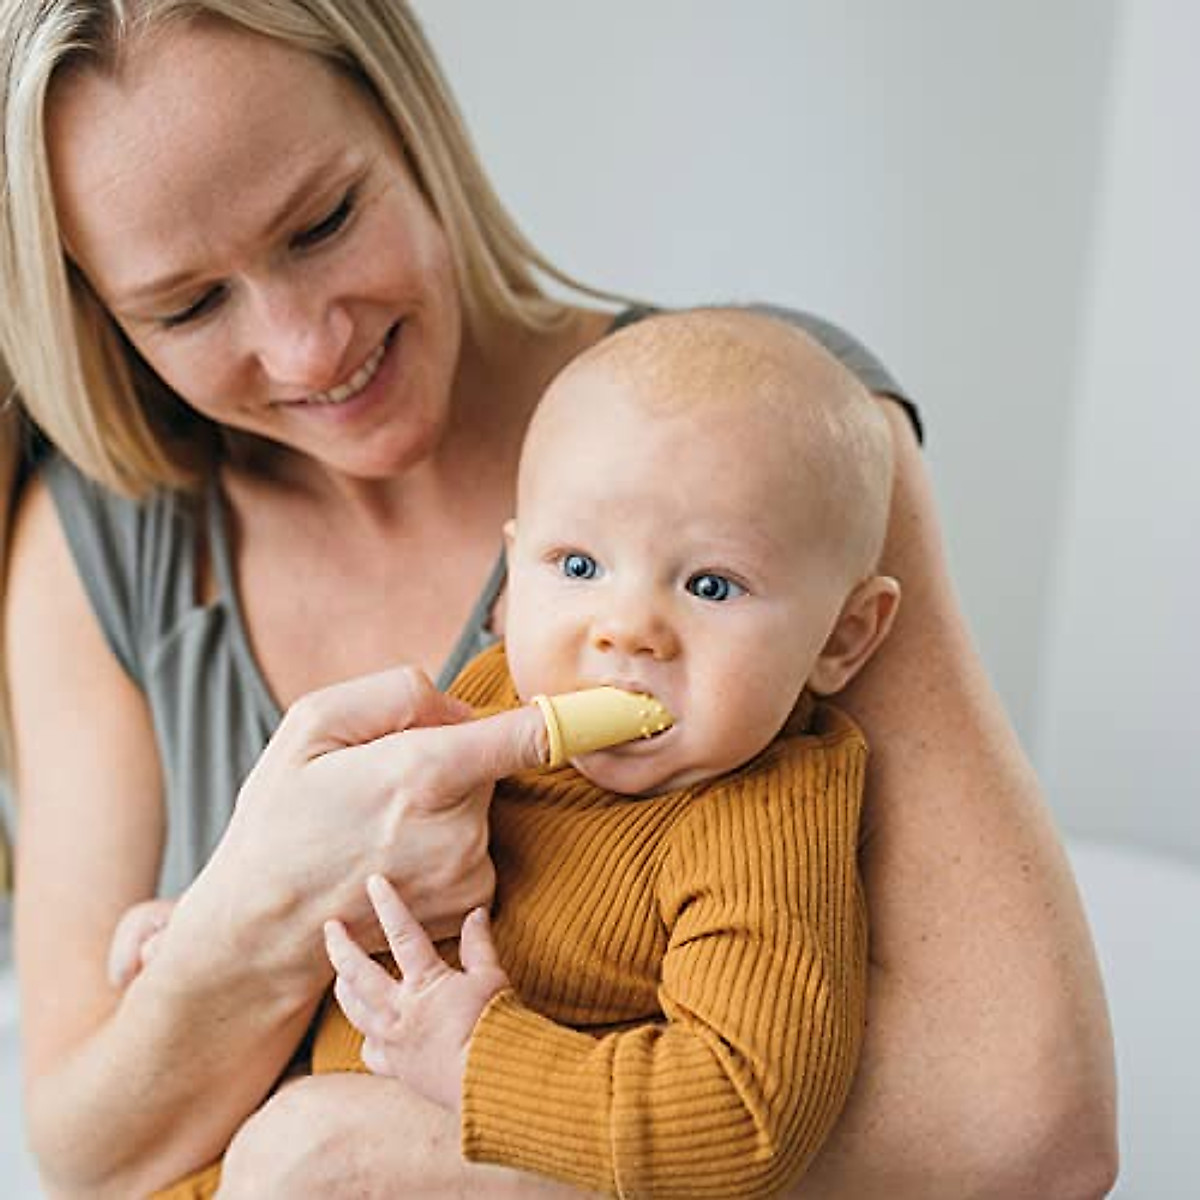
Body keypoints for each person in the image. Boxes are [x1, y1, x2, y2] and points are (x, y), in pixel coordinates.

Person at [0, 1, 1116, 1197]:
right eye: (188, 306)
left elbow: (1033, 1127)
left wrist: (376, 1151)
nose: (306, 348)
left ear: (412, 122)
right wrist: (237, 927)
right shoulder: (103, 538)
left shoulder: (773, 441)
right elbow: (83, 1151)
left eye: (323, 222)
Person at [114, 309, 902, 1196]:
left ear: (842, 637)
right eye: (576, 567)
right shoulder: (489, 703)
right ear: (512, 573)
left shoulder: (764, 821)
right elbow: (345, 874)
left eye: (710, 585)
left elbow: (745, 1114)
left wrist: (477, 1054)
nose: (626, 630)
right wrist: (214, 920)